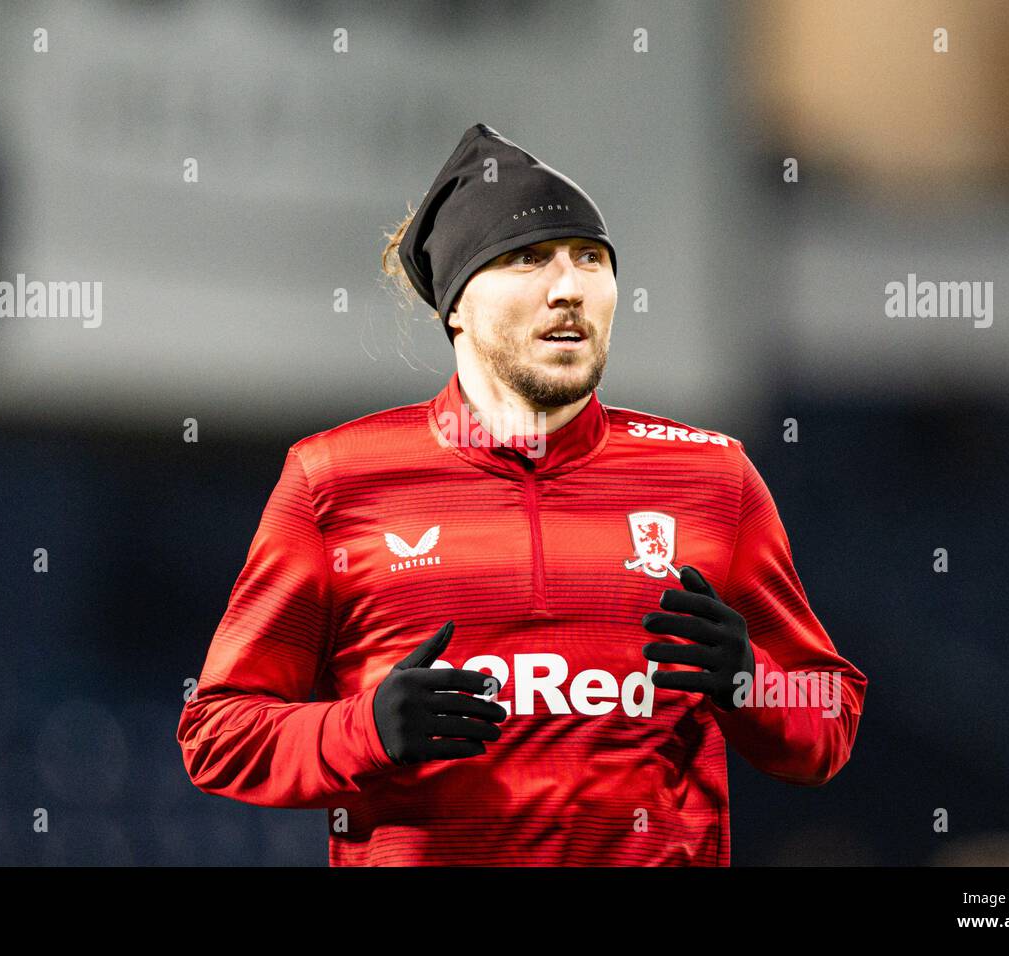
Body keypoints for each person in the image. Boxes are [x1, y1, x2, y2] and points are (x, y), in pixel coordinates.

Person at [176, 123, 867, 866]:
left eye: (590, 259)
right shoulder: (337, 479)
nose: (569, 288)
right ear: (457, 308)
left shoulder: (712, 478)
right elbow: (218, 734)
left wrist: (749, 683)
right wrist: (364, 732)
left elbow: (827, 724)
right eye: (527, 259)